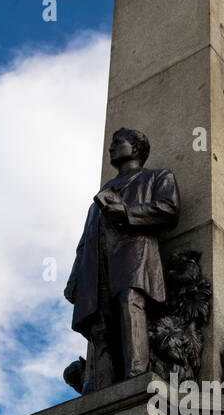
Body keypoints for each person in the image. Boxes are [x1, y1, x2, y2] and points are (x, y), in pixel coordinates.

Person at [64, 128, 180, 392]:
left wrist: (126, 213)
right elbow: (84, 242)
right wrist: (74, 277)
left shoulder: (158, 177)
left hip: (133, 256)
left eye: (118, 143)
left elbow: (169, 209)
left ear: (136, 148)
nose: (111, 148)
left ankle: (135, 376)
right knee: (99, 323)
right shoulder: (99, 197)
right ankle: (101, 387)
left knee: (130, 305)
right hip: (96, 266)